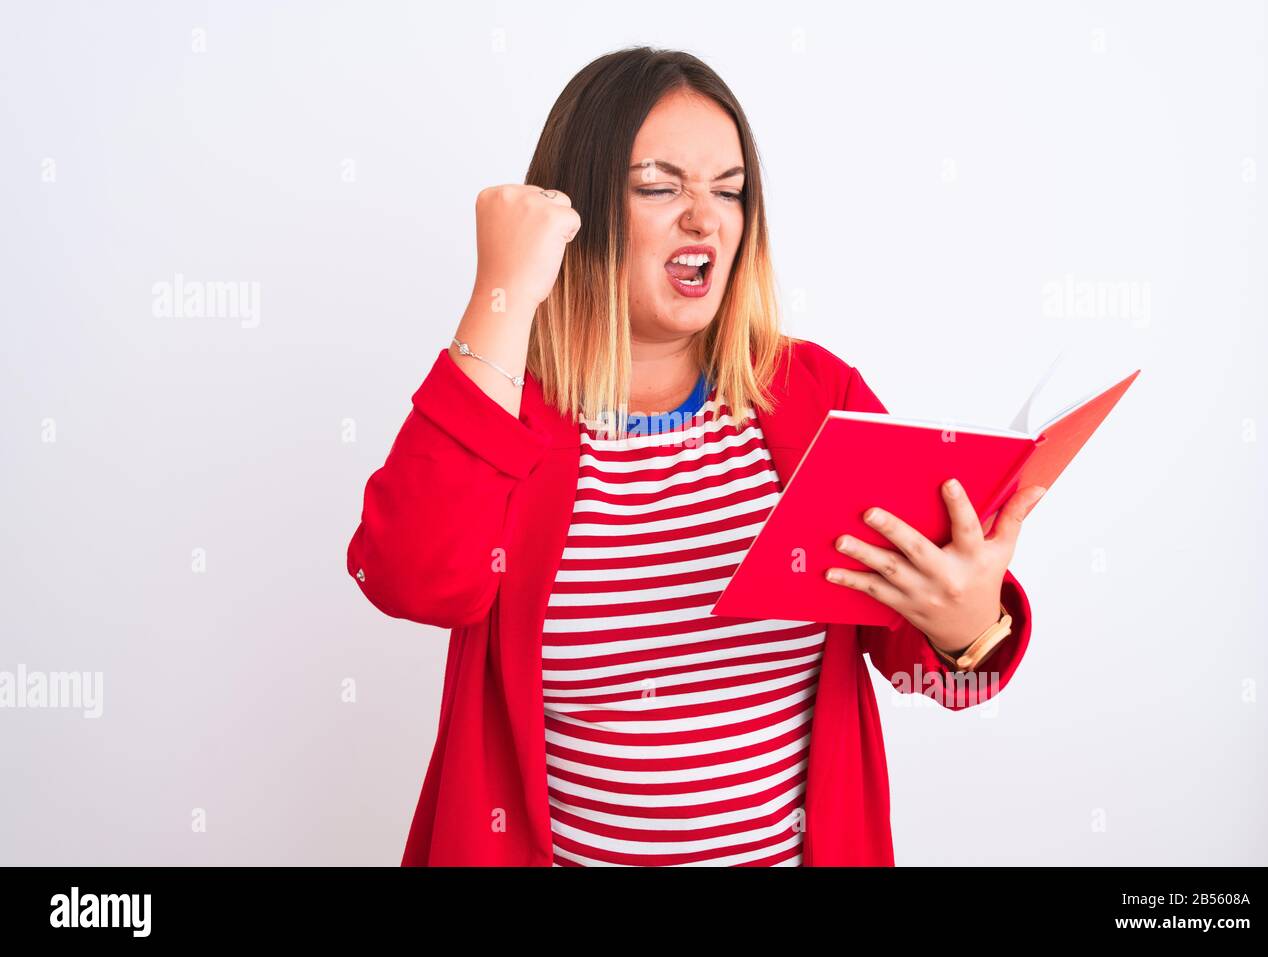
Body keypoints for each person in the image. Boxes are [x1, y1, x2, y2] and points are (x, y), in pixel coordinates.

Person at [346, 46, 1046, 867]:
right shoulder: (510, 405)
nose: (705, 217)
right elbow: (409, 577)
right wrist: (502, 292)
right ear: (572, 215)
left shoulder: (815, 396)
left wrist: (970, 629)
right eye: (659, 186)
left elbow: (924, 658)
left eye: (728, 190)